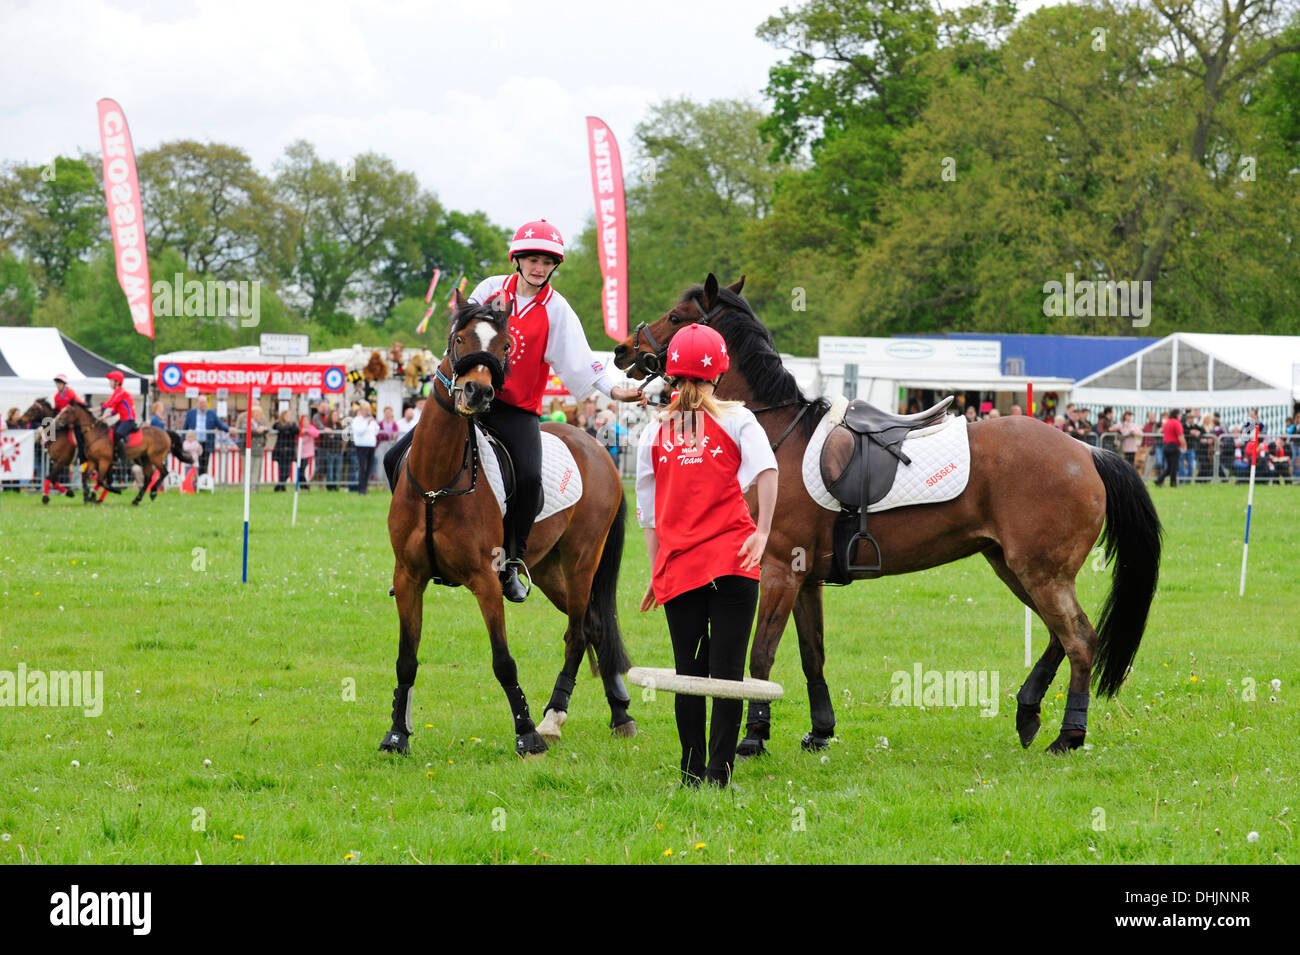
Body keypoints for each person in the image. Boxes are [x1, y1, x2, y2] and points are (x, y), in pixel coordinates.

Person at [391, 217, 645, 602]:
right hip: (471, 405)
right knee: (395, 456)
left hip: (515, 412)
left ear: (554, 266)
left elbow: (580, 360)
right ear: (517, 259)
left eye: (547, 261)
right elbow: (461, 334)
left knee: (527, 479)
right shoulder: (490, 289)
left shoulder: (557, 310)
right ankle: (411, 555)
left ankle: (512, 563)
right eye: (531, 259)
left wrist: (615, 389)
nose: (538, 267)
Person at [635, 324, 778, 789]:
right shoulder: (739, 419)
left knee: (688, 674)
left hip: (680, 568)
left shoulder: (652, 432)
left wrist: (658, 571)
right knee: (727, 676)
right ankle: (719, 775)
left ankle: (691, 775)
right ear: (719, 372)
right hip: (735, 562)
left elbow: (649, 514)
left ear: (671, 376)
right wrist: (762, 533)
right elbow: (768, 470)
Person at [98, 370, 138, 467]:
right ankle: (115, 455)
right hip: (123, 419)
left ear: (117, 382)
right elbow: (114, 410)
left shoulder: (120, 392)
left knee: (117, 435)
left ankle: (124, 460)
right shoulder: (118, 392)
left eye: (111, 380)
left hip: (129, 420)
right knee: (110, 433)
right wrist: (104, 417)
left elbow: (110, 403)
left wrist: (94, 410)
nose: (109, 382)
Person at [183, 396, 229, 477]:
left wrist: (229, 429)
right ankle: (192, 481)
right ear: (197, 403)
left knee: (204, 463)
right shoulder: (191, 413)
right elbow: (185, 428)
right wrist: (182, 441)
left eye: (204, 402)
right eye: (201, 402)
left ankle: (202, 481)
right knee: (193, 463)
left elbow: (220, 425)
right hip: (194, 443)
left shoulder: (212, 414)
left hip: (206, 443)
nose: (203, 404)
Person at [350, 400, 378, 494]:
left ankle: (364, 487)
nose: (367, 412)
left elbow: (376, 430)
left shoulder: (370, 419)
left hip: (371, 445)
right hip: (361, 446)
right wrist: (367, 424)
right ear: (361, 410)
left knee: (369, 467)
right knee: (363, 468)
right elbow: (359, 432)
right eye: (365, 410)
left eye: (368, 410)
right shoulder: (357, 420)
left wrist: (372, 422)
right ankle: (361, 489)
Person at [1154, 408, 1186, 487]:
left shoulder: (1167, 422)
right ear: (1177, 415)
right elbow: (1180, 436)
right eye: (1180, 414)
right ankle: (1173, 483)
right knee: (1174, 467)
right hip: (1174, 446)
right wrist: (1184, 445)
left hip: (1165, 446)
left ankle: (1159, 480)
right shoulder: (1177, 423)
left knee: (1170, 467)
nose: (1181, 416)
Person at [272, 409, 299, 491]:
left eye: (289, 415)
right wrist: (288, 428)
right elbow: (280, 429)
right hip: (280, 451)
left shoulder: (293, 424)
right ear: (282, 416)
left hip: (289, 451)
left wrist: (288, 427)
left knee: (287, 471)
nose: (288, 417)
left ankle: (279, 485)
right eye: (286, 415)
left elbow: (297, 430)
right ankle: (282, 486)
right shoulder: (278, 424)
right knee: (282, 469)